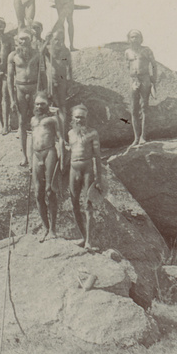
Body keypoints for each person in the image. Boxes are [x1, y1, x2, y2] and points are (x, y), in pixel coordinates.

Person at [67, 104, 105, 249]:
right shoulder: (70, 133)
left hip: (87, 169)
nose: (79, 120)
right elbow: (69, 152)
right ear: (72, 118)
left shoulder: (93, 133)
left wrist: (99, 179)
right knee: (74, 203)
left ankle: (89, 241)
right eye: (77, 117)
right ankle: (83, 237)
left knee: (87, 204)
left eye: (82, 117)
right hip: (73, 168)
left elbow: (97, 156)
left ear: (86, 118)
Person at [29, 92, 65, 242]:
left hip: (49, 152)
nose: (39, 106)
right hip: (36, 155)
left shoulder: (53, 119)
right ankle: (45, 228)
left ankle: (53, 229)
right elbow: (31, 139)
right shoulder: (32, 120)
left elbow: (61, 139)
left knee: (50, 191)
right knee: (38, 193)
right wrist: (29, 159)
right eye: (37, 104)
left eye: (42, 104)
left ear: (48, 105)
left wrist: (62, 159)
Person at [7, 28, 44, 166]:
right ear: (17, 40)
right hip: (20, 90)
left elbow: (43, 75)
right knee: (22, 122)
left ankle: (35, 153)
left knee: (37, 122)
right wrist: (12, 99)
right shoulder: (12, 56)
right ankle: (24, 156)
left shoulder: (37, 54)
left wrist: (44, 95)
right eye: (21, 39)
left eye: (26, 39)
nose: (23, 41)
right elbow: (10, 79)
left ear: (31, 40)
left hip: (35, 89)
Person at [125, 29, 157, 146]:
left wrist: (154, 79)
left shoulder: (146, 50)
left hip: (145, 79)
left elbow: (154, 64)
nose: (135, 39)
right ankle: (136, 138)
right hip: (133, 80)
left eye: (137, 37)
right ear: (129, 39)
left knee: (144, 107)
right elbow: (128, 66)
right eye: (132, 37)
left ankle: (143, 136)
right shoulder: (127, 52)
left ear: (141, 38)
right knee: (133, 109)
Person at [46, 26, 72, 114]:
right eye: (56, 39)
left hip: (62, 79)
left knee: (62, 103)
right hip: (50, 80)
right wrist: (46, 41)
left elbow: (69, 66)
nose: (58, 41)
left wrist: (69, 80)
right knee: (50, 102)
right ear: (52, 39)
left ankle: (62, 123)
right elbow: (41, 52)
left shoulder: (65, 51)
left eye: (60, 39)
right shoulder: (48, 49)